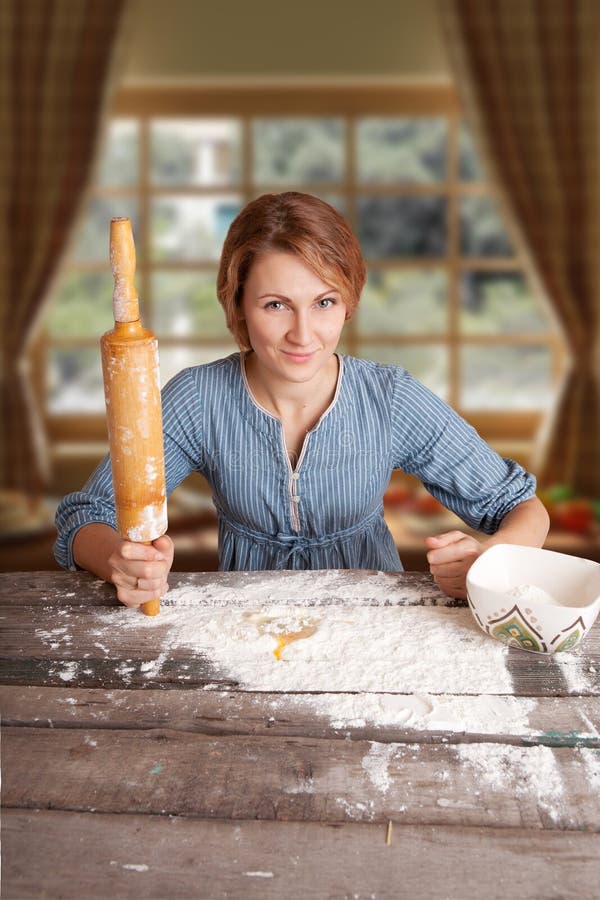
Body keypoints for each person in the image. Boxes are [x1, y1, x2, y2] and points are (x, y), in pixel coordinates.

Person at [54, 191, 549, 609]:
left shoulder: (390, 397)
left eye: (324, 302)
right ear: (239, 304)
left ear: (348, 301)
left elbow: (524, 509)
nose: (303, 334)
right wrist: (118, 559)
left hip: (379, 633)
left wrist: (490, 559)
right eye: (275, 305)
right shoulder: (199, 398)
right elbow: (84, 516)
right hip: (245, 630)